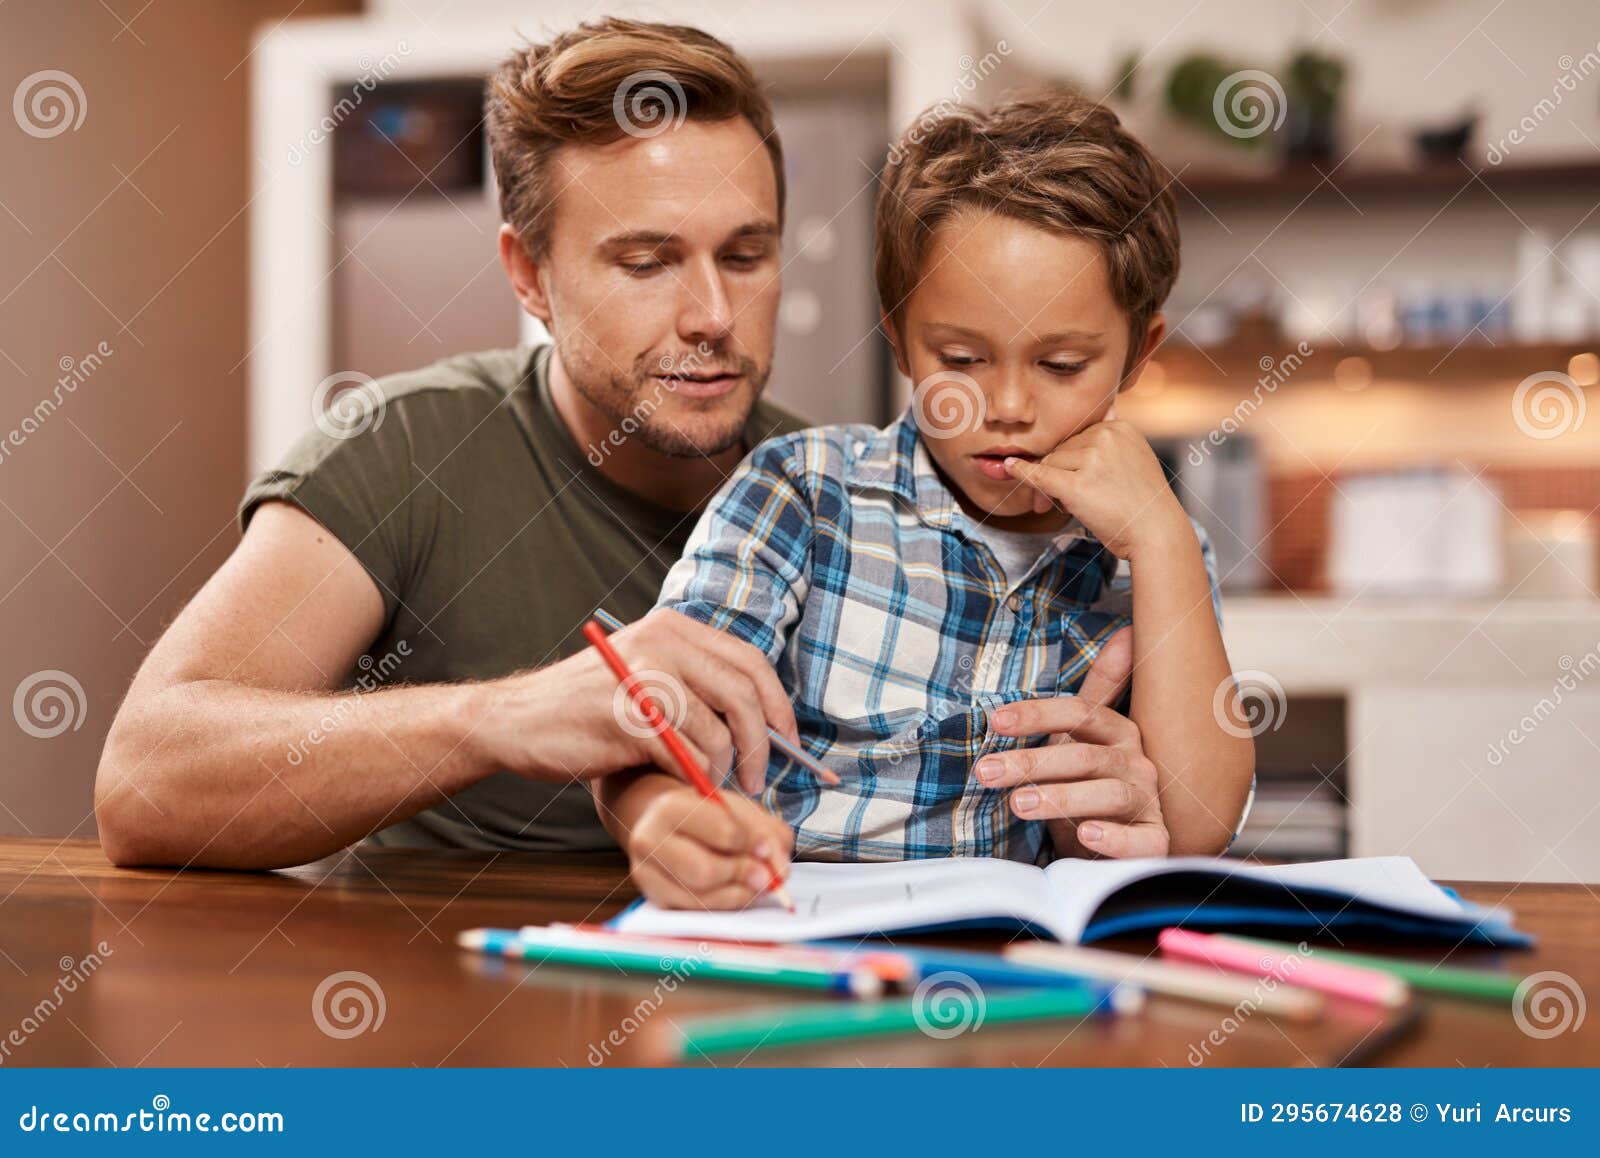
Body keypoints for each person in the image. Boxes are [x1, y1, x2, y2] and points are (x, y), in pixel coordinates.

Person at [599, 89, 1256, 907]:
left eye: (1061, 366)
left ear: (1136, 354)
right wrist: (664, 817)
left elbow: (1198, 828)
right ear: (901, 339)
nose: (1008, 405)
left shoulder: (1155, 551)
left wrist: (1160, 538)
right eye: (961, 358)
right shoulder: (802, 493)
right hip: (790, 935)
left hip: (1011, 967)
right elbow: (657, 726)